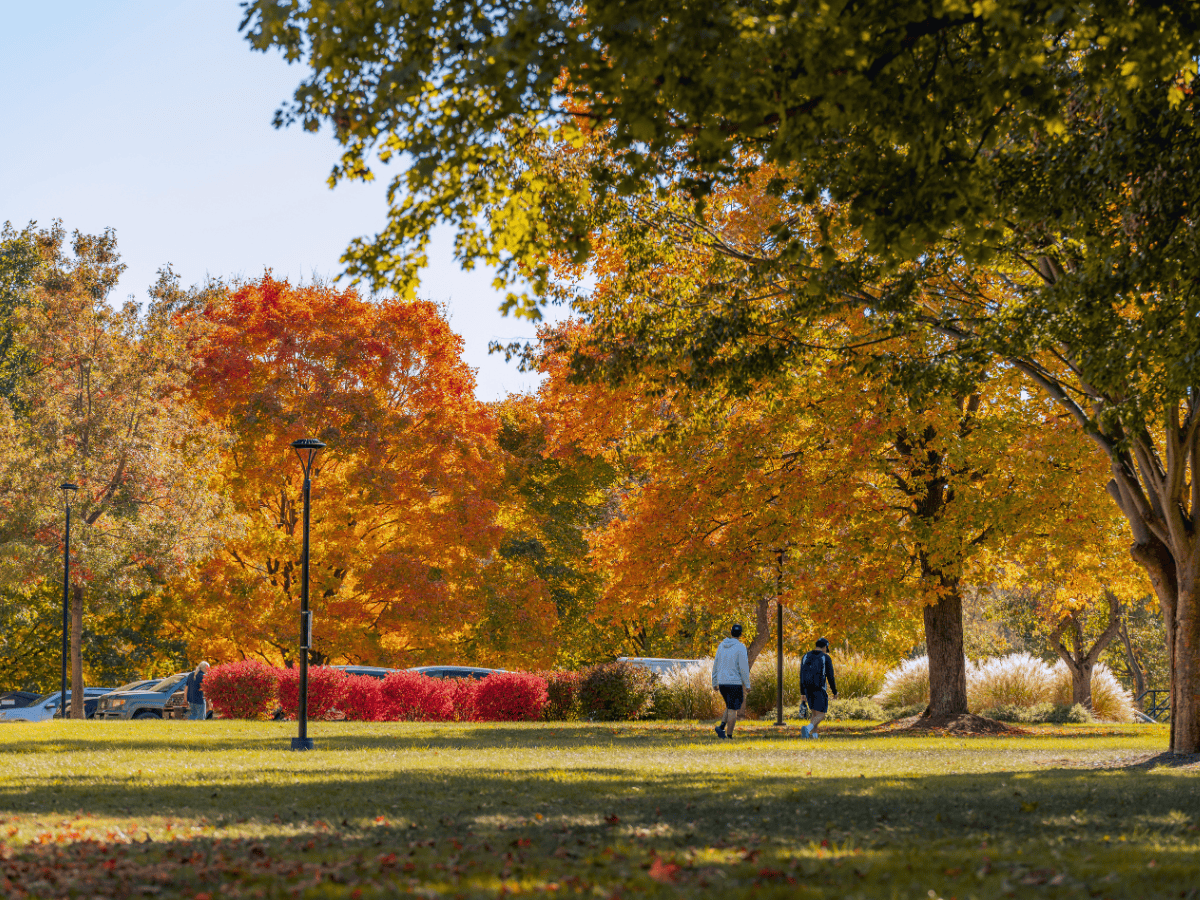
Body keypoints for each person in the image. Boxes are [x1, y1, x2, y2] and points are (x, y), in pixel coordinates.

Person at [711, 624, 751, 739]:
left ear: (730, 632)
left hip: (722, 682)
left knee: (730, 705)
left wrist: (714, 682)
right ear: (741, 634)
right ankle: (729, 736)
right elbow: (743, 667)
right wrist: (747, 684)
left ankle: (721, 727)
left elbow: (716, 664)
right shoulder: (741, 647)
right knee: (733, 709)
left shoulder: (721, 646)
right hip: (734, 683)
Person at [800, 638, 837, 739]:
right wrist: (835, 691)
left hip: (807, 688)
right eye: (826, 648)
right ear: (825, 647)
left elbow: (801, 675)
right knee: (821, 714)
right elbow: (830, 676)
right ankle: (807, 729)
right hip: (819, 689)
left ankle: (814, 735)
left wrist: (802, 693)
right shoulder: (825, 657)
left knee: (815, 713)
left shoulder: (806, 656)